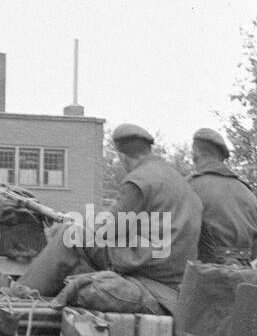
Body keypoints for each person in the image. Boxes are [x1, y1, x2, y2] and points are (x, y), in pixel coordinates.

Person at [15, 123, 202, 313]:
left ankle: (19, 296)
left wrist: (80, 224)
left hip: (146, 269)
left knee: (70, 234)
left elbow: (107, 230)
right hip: (171, 272)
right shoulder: (179, 180)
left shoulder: (139, 180)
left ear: (122, 156)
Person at [187, 128, 257, 267]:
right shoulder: (248, 193)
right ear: (222, 157)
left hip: (201, 279)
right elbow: (255, 251)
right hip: (244, 279)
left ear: (196, 152)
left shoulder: (188, 187)